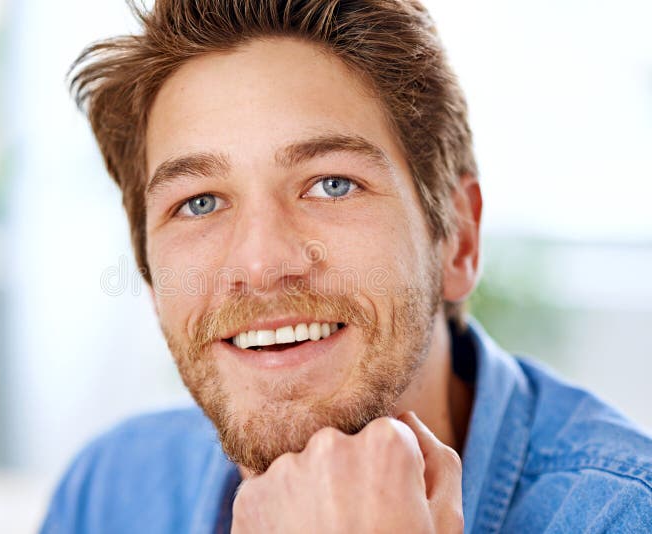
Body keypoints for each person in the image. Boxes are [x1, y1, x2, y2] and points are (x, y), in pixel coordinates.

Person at [41, 1, 652, 532]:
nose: (260, 263)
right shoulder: (108, 495)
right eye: (198, 203)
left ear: (458, 239)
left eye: (332, 184)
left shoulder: (622, 515)